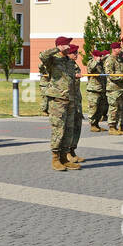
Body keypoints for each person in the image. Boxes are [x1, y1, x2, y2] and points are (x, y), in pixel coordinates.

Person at [38, 37, 81, 169]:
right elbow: (42, 56)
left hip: (70, 100)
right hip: (57, 100)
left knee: (69, 130)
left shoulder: (69, 61)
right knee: (59, 129)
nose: (68, 46)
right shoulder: (53, 59)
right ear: (60, 45)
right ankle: (55, 158)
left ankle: (64, 157)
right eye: (66, 44)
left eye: (68, 44)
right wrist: (57, 49)